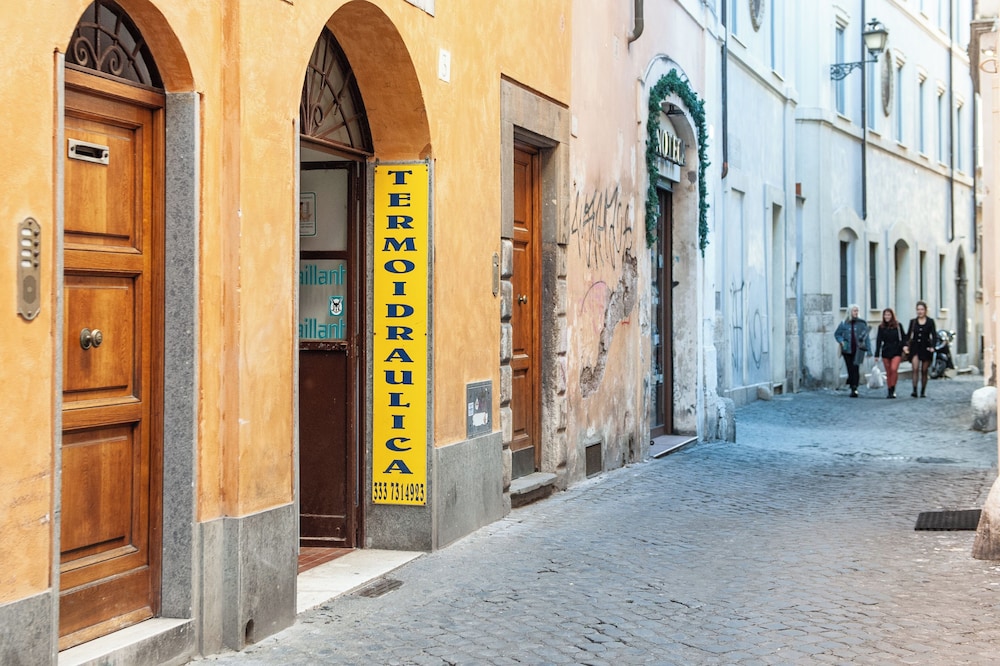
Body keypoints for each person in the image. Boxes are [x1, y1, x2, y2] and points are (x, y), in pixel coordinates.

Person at [834, 304, 872, 398]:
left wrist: (869, 350)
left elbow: (866, 338)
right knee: (850, 369)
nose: (856, 312)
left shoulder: (862, 323)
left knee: (856, 368)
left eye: (857, 311)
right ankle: (852, 386)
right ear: (850, 312)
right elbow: (837, 334)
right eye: (854, 311)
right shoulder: (844, 323)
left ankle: (855, 388)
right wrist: (841, 341)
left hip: (858, 350)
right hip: (847, 350)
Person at [904, 300, 936, 398]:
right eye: (918, 309)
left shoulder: (930, 321)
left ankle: (923, 390)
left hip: (926, 347)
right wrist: (905, 345)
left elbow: (934, 335)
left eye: (922, 309)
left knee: (924, 370)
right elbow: (908, 335)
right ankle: (914, 390)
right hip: (915, 347)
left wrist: (933, 347)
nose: (920, 311)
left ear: (925, 310)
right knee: (915, 368)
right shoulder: (913, 322)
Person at [874, 307, 905, 399]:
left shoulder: (898, 326)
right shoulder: (881, 327)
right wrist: (876, 354)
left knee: (893, 369)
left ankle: (893, 387)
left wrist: (905, 346)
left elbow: (904, 337)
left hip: (896, 350)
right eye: (885, 315)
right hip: (886, 350)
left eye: (888, 315)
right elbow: (878, 341)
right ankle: (889, 390)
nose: (887, 317)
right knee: (888, 372)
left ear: (892, 316)